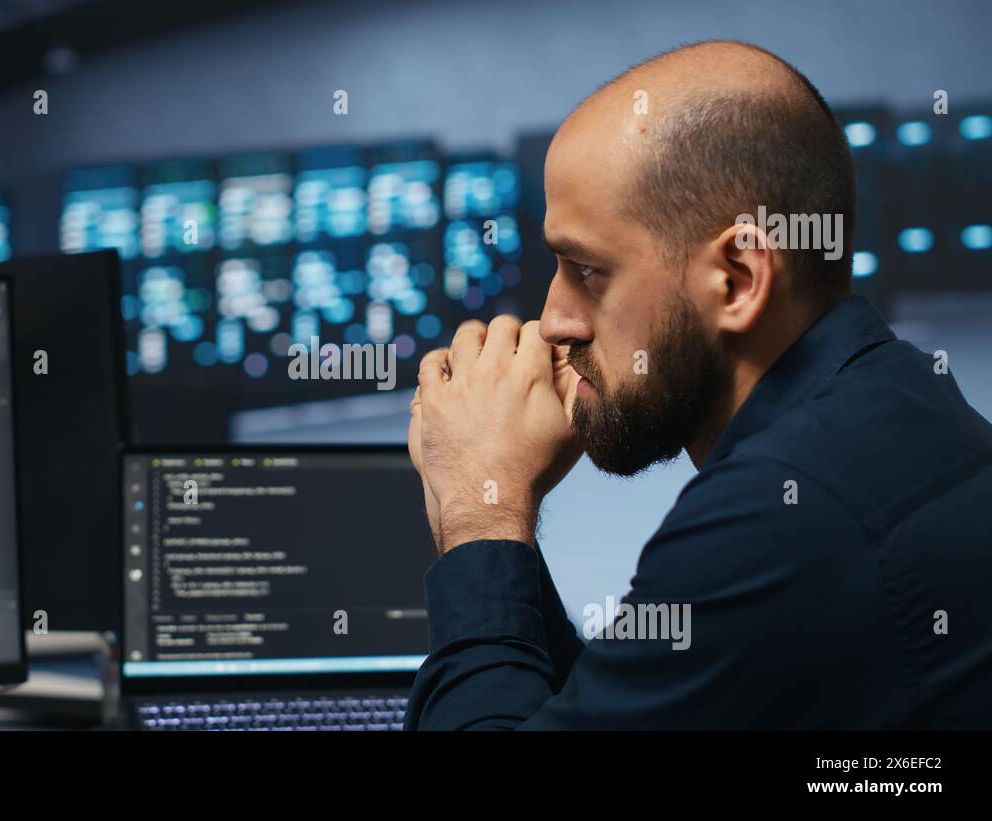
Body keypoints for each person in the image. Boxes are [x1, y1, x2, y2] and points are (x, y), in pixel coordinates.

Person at [405, 39, 992, 730]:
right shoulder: (902, 397)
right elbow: (621, 705)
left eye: (587, 269)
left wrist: (479, 513)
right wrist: (501, 506)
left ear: (738, 281)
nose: (554, 319)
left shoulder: (776, 520)